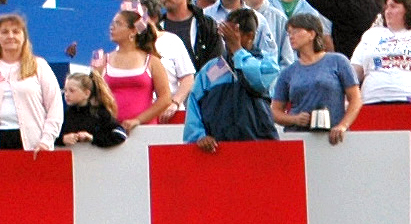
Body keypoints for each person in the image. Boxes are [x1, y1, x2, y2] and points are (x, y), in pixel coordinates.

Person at [0, 14, 60, 158]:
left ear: (24, 36)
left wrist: (46, 141)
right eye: (5, 32)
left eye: (16, 31)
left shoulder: (39, 66)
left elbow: (55, 107)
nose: (10, 36)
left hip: (33, 147)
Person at [184, 10, 278, 149]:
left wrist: (237, 49)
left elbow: (257, 83)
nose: (227, 40)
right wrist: (199, 136)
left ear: (250, 36)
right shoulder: (211, 68)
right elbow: (194, 103)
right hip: (217, 147)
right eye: (225, 35)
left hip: (259, 145)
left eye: (232, 35)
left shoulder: (267, 63)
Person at [272, 12, 362, 143]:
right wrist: (294, 119)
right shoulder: (288, 72)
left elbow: (355, 99)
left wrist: (343, 125)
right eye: (289, 33)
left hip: (332, 136)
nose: (291, 36)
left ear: (312, 34)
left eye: (296, 31)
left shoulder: (338, 61)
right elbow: (275, 111)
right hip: (298, 137)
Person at [99, 9, 176, 127]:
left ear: (133, 31)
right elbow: (95, 94)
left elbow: (165, 98)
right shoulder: (102, 60)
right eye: (112, 23)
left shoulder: (152, 61)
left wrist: (138, 120)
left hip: (145, 131)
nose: (112, 27)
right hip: (111, 131)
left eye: (118, 24)